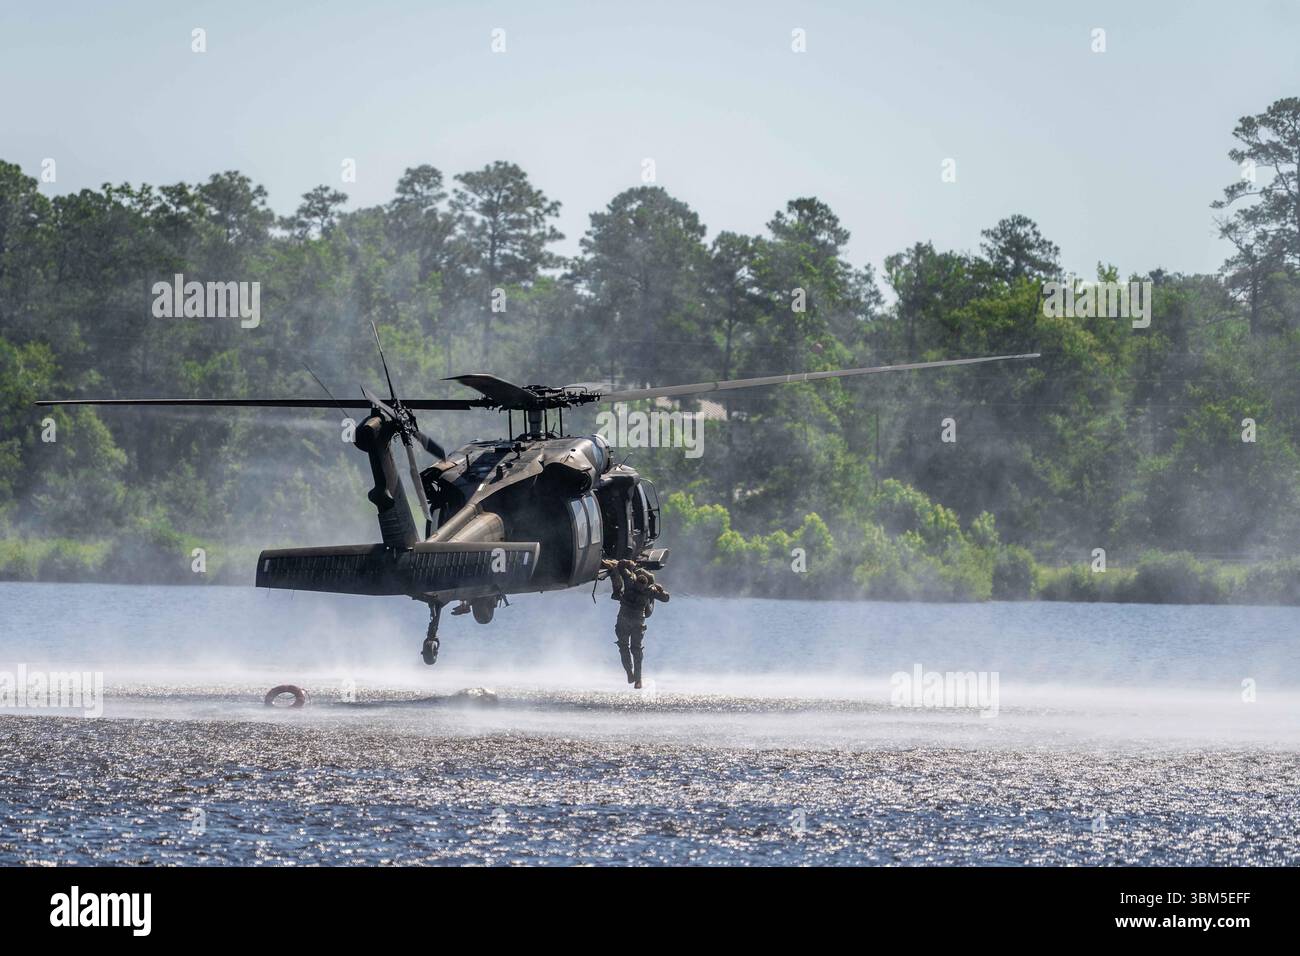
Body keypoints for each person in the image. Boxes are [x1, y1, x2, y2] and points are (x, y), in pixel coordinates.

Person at [603, 559, 669, 687]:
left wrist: (629, 563)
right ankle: (638, 680)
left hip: (624, 619)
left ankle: (629, 673)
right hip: (638, 622)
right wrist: (661, 590)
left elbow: (620, 566)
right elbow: (666, 598)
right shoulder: (650, 590)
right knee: (636, 650)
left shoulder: (629, 582)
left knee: (623, 647)